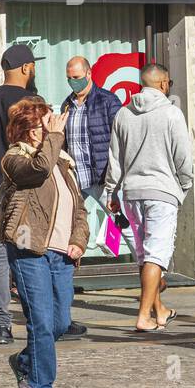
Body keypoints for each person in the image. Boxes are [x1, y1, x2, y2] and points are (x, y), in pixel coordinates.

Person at [0, 98, 87, 388]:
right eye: (41, 125)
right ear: (27, 130)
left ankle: (23, 362)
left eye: (48, 124)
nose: (48, 129)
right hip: (29, 249)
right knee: (41, 323)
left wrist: (78, 239)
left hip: (62, 254)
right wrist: (54, 138)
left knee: (60, 322)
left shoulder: (62, 161)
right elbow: (37, 171)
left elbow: (80, 208)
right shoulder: (15, 159)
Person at [104, 63, 194, 333]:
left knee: (145, 257)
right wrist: (184, 187)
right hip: (161, 192)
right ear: (164, 83)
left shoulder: (123, 114)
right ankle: (143, 316)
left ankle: (160, 311)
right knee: (155, 257)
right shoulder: (171, 114)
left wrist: (111, 190)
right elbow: (183, 159)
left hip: (132, 193)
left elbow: (114, 159)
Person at [0, 44, 42, 344]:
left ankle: (2, 326)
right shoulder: (32, 103)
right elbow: (42, 148)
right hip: (26, 188)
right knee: (28, 252)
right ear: (27, 68)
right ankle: (38, 319)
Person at [60, 55, 123, 252]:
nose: (73, 82)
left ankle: (145, 267)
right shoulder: (67, 104)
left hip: (101, 176)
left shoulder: (107, 101)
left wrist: (117, 175)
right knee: (69, 225)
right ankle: (70, 268)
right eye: (69, 78)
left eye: (77, 77)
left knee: (121, 221)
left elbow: (121, 138)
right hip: (76, 178)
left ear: (89, 74)